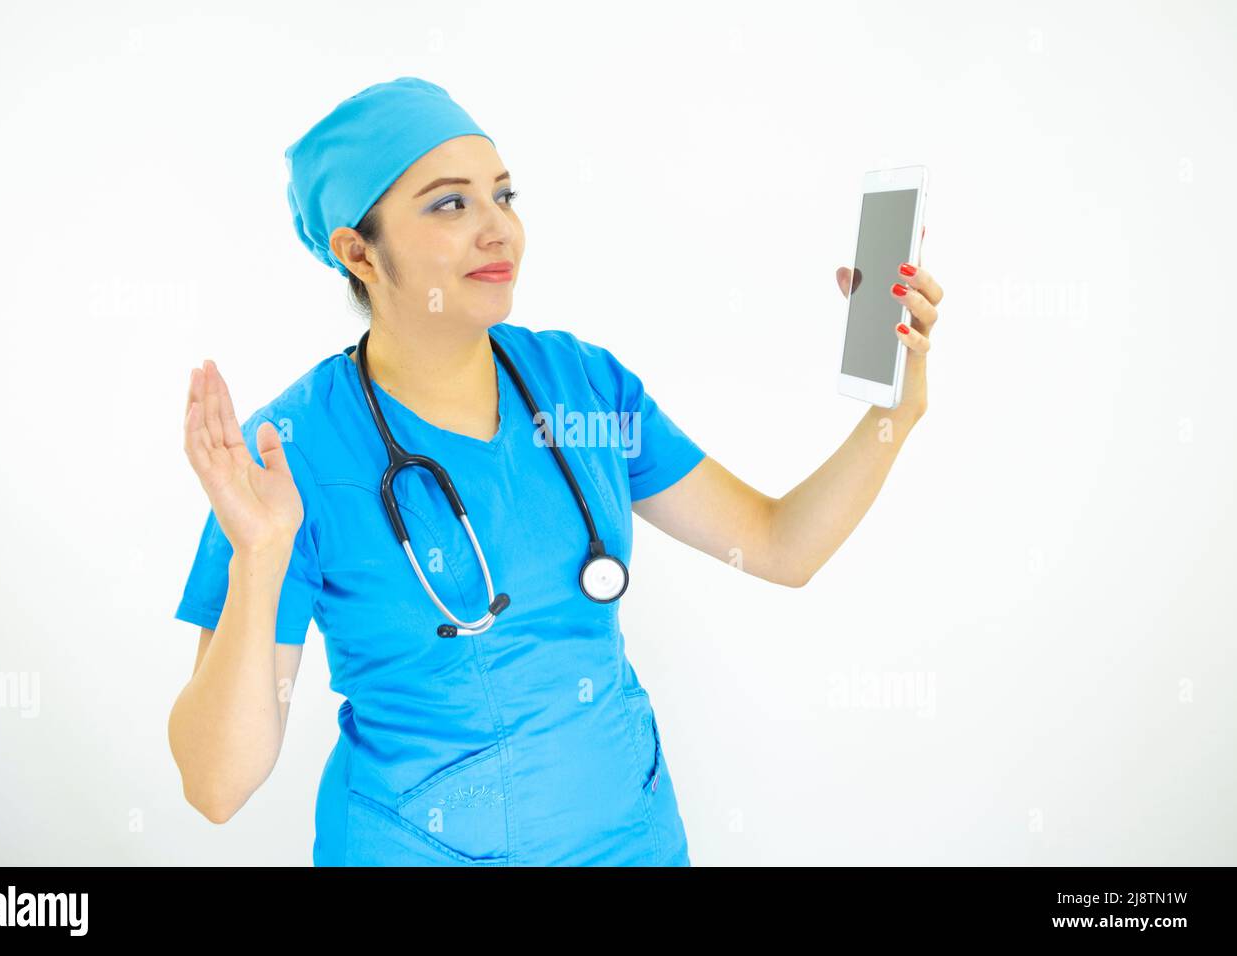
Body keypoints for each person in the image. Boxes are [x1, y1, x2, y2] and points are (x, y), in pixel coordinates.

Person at [167, 77, 945, 866]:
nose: (497, 229)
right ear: (357, 250)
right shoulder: (287, 455)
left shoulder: (581, 385)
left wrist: (894, 415)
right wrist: (261, 559)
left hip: (631, 841)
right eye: (449, 204)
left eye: (503, 195)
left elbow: (780, 546)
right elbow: (216, 786)